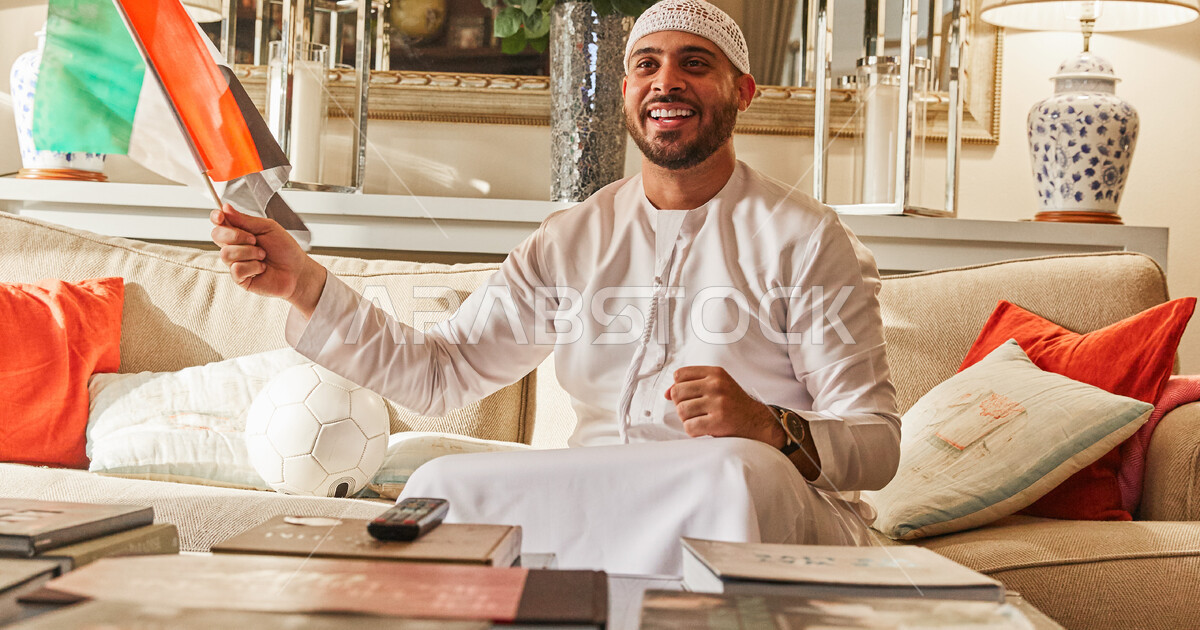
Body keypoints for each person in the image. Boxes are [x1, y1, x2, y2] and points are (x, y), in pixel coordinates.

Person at [212, 0, 900, 575]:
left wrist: (769, 427)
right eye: (647, 65)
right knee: (441, 490)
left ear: (742, 92)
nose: (668, 81)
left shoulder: (806, 238)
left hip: (779, 506)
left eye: (696, 64)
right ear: (627, 92)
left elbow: (877, 447)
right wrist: (304, 284)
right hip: (603, 489)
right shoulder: (572, 236)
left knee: (730, 473)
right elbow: (441, 372)